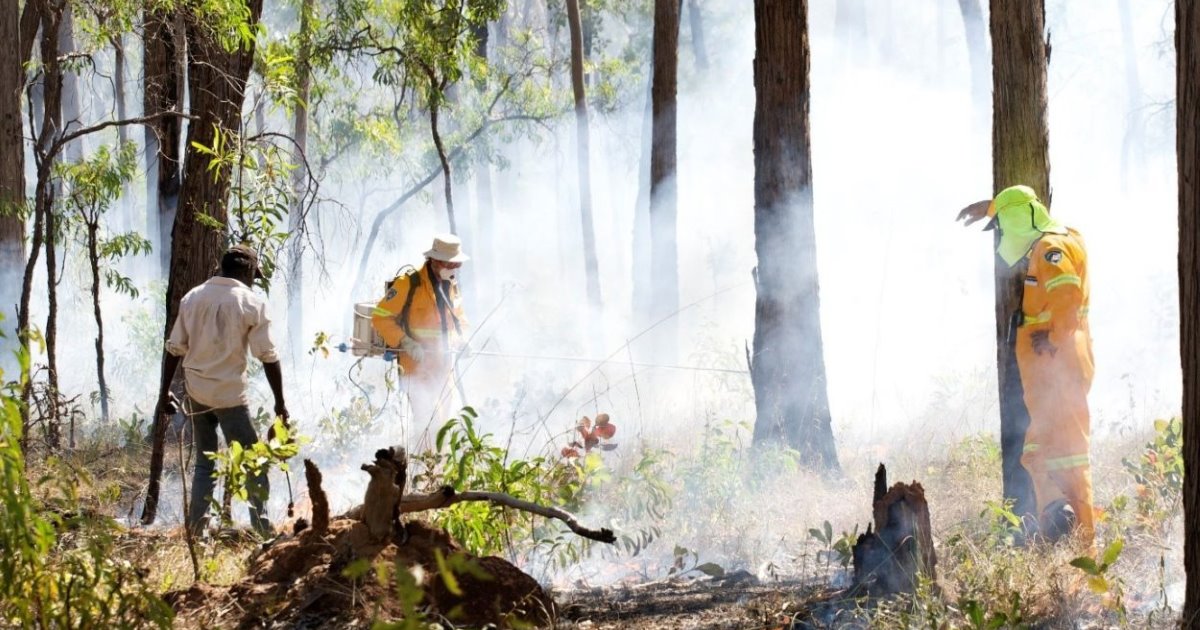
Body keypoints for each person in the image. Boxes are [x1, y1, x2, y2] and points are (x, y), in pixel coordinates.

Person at [958, 184, 1095, 546]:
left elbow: (1068, 299)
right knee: (1039, 450)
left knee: (1068, 457)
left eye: (1003, 226)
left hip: (1058, 367)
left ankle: (1084, 550)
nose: (1002, 235)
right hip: (1051, 370)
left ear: (1018, 221)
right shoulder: (1058, 240)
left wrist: (1050, 338)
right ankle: (1056, 521)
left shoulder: (1051, 249)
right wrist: (993, 208)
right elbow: (1022, 206)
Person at [157, 244, 289, 537]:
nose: (254, 280)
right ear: (246, 271)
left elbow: (174, 348)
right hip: (230, 397)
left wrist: (164, 393)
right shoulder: (250, 303)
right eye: (254, 275)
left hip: (198, 393)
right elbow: (267, 355)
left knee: (206, 463)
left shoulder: (193, 297)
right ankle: (263, 531)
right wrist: (280, 403)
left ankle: (197, 532)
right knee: (253, 462)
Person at [371, 234, 470, 450]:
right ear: (435, 260)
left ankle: (438, 468)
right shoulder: (409, 283)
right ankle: (423, 469)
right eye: (451, 263)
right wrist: (405, 341)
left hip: (443, 368)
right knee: (427, 422)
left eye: (457, 264)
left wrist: (463, 340)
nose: (455, 268)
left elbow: (459, 318)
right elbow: (379, 316)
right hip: (415, 368)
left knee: (445, 423)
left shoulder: (451, 285)